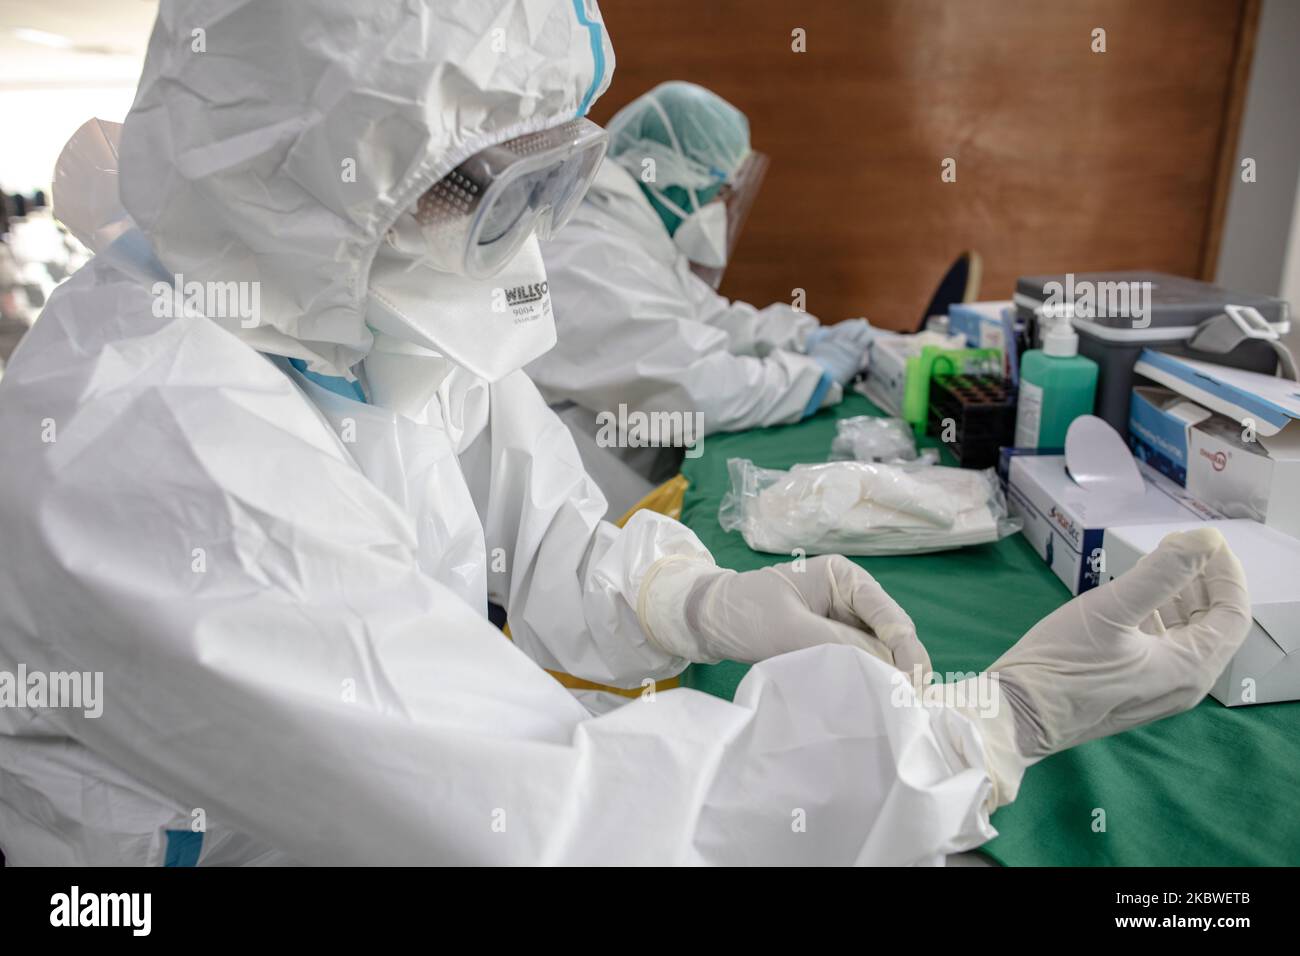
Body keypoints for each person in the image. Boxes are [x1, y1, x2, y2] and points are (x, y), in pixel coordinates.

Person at [0, 0, 1251, 866]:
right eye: (488, 187)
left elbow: (531, 525)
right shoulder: (153, 440)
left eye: (554, 177)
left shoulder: (341, 312)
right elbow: (564, 822)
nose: (527, 248)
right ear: (319, 171)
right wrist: (981, 729)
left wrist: (691, 602)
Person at [527, 81, 876, 514]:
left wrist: (803, 336)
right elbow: (695, 388)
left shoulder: (630, 234)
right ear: (674, 176)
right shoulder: (588, 252)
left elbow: (707, 317)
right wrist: (810, 376)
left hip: (627, 482)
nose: (721, 207)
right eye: (719, 192)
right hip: (588, 504)